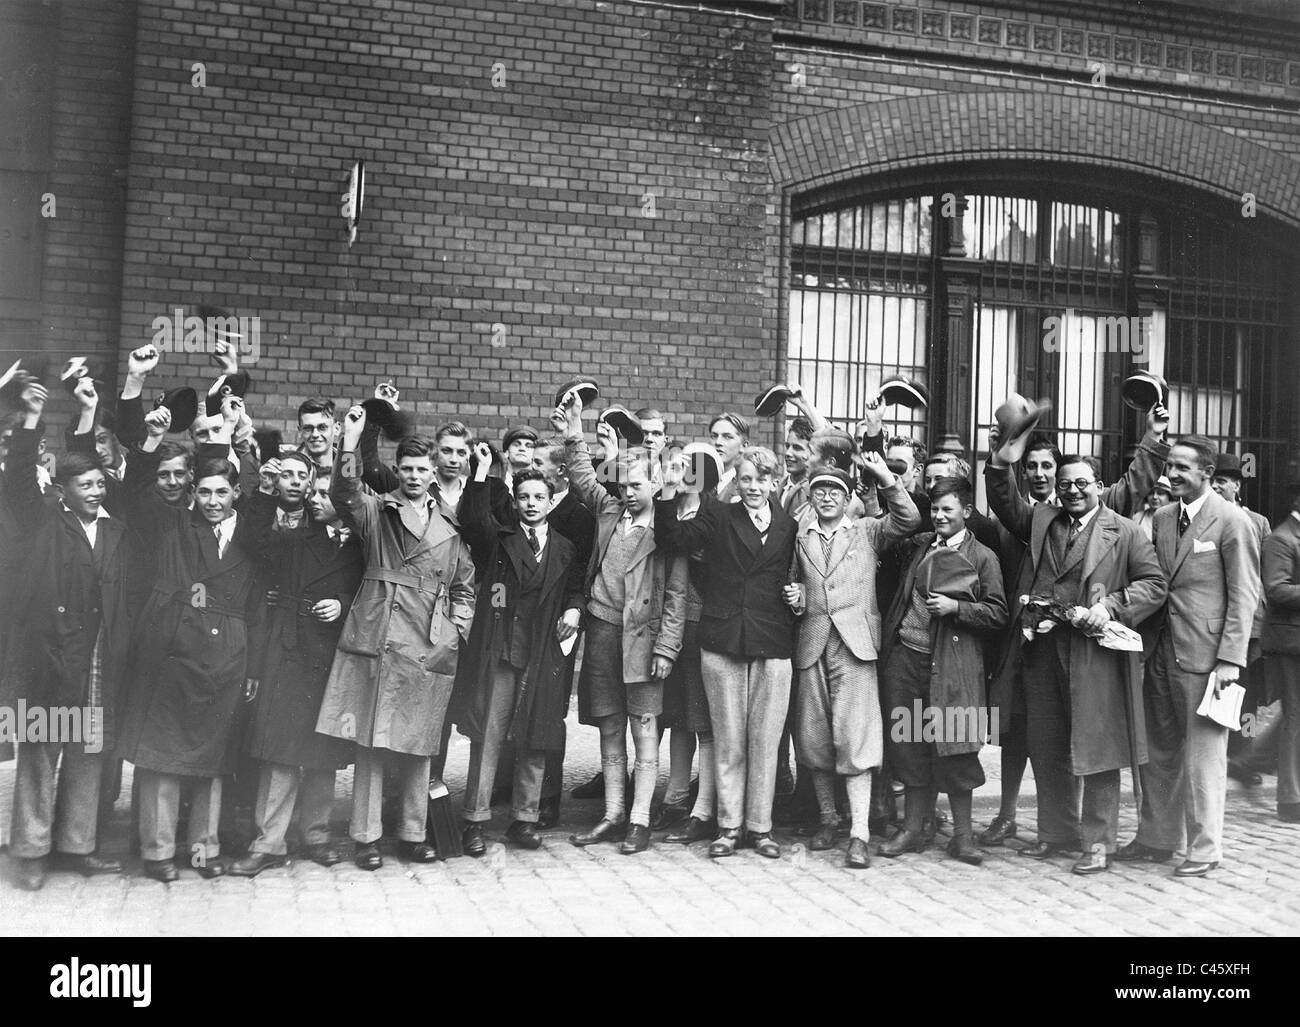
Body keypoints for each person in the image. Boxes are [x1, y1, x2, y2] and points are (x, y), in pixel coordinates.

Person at [980, 407, 1170, 848]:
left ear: (1100, 487)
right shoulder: (1043, 520)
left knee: (1097, 747)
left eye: (1082, 483)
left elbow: (1155, 585)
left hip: (1093, 654)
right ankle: (1057, 833)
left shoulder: (1123, 531)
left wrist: (1113, 606)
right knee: (1046, 745)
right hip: (1043, 650)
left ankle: (1098, 844)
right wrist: (1001, 459)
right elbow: (1006, 502)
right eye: (1065, 485)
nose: (1072, 491)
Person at [314, 406, 476, 871]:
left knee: (419, 741)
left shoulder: (450, 526)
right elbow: (342, 490)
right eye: (405, 468)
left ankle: (411, 833)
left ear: (434, 472)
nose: (413, 475)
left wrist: (455, 631)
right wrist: (350, 440)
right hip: (378, 633)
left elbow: (465, 585)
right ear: (398, 471)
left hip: (428, 643)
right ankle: (366, 838)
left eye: (423, 469)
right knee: (370, 739)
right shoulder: (376, 512)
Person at [117, 397, 267, 882]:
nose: (212, 501)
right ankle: (158, 852)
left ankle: (204, 850)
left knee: (212, 754)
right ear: (192, 495)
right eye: (203, 492)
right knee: (162, 754)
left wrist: (254, 670)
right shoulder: (174, 525)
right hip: (172, 651)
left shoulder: (251, 535)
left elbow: (259, 609)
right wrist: (152, 439)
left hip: (227, 656)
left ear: (235, 493)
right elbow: (138, 486)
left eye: (221, 491)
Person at [4, 380, 130, 890]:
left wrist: (91, 409)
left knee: (87, 755)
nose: (96, 491)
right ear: (64, 489)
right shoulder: (45, 521)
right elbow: (17, 481)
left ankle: (77, 846)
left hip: (98, 657)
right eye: (85, 485)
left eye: (101, 484)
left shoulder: (116, 529)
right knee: (40, 757)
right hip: (47, 659)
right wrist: (34, 420)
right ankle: (31, 853)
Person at [1117, 435, 1261, 877]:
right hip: (1160, 652)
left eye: (1182, 468)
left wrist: (1231, 661)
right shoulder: (1161, 518)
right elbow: (1157, 583)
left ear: (1208, 475)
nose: (1171, 475)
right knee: (1158, 752)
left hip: (1207, 659)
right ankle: (1158, 839)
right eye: (1170, 467)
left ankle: (1205, 847)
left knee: (1204, 757)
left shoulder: (1232, 520)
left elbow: (1244, 595)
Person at [655, 444, 796, 858]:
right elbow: (673, 538)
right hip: (723, 639)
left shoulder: (787, 525)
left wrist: (799, 593)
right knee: (729, 739)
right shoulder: (717, 515)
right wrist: (667, 492)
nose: (753, 487)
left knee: (765, 741)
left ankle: (761, 828)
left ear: (775, 482)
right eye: (746, 478)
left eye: (761, 479)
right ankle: (729, 828)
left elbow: (794, 576)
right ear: (736, 479)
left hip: (771, 641)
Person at [560, 398, 686, 854]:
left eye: (637, 484)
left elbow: (675, 596)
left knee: (644, 727)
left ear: (655, 482)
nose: (628, 492)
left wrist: (667, 648)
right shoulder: (609, 512)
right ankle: (612, 815)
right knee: (610, 726)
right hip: (602, 632)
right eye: (624, 485)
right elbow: (582, 477)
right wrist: (575, 428)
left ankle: (639, 819)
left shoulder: (668, 531)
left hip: (644, 641)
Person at [785, 458, 920, 868]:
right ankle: (828, 818)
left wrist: (882, 478)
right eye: (820, 491)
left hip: (856, 645)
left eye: (836, 492)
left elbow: (909, 517)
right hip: (811, 643)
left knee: (856, 736)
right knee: (815, 735)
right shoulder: (799, 535)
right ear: (810, 497)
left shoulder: (867, 531)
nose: (827, 498)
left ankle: (859, 832)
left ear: (848, 500)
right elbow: (794, 581)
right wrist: (796, 600)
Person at [229, 463, 363, 876]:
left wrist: (341, 603)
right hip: (288, 649)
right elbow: (250, 540)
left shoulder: (363, 543)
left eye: (327, 494)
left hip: (334, 653)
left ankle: (316, 835)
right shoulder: (294, 538)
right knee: (280, 750)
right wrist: (267, 491)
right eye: (315, 494)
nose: (317, 500)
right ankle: (268, 841)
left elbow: (367, 587)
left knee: (323, 751)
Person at [457, 452, 585, 852]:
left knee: (535, 736)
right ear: (515, 501)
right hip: (502, 652)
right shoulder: (499, 540)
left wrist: (574, 608)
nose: (531, 503)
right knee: (489, 736)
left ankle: (524, 820)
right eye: (523, 496)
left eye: (538, 497)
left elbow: (576, 587)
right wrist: (480, 473)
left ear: (550, 501)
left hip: (543, 652)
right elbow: (474, 522)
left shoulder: (564, 547)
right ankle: (475, 820)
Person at [878, 476, 1008, 865]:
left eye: (947, 509)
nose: (938, 516)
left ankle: (963, 837)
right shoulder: (918, 547)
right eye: (934, 509)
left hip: (954, 666)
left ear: (966, 511)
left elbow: (999, 612)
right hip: (907, 660)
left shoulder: (983, 556)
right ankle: (912, 830)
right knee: (910, 746)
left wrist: (958, 610)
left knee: (956, 748)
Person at [659, 443, 724, 842]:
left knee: (703, 719)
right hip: (671, 623)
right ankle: (675, 798)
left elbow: (674, 540)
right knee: (678, 716)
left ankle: (704, 810)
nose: (677, 473)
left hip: (701, 624)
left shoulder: (710, 514)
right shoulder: (673, 507)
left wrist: (667, 492)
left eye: (686, 468)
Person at [1261, 483, 1300, 823]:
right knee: (1294, 717)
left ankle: (1250, 760)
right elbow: (1276, 590)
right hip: (1289, 643)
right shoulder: (1281, 538)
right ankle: (1290, 799)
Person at [709, 413, 749, 503]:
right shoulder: (699, 483)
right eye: (714, 436)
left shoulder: (745, 488)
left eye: (727, 437)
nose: (718, 442)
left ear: (743, 446)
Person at [1133, 475, 1173, 541]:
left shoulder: (1176, 518)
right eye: (1151, 493)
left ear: (1169, 497)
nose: (1154, 497)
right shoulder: (1138, 518)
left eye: (1160, 493)